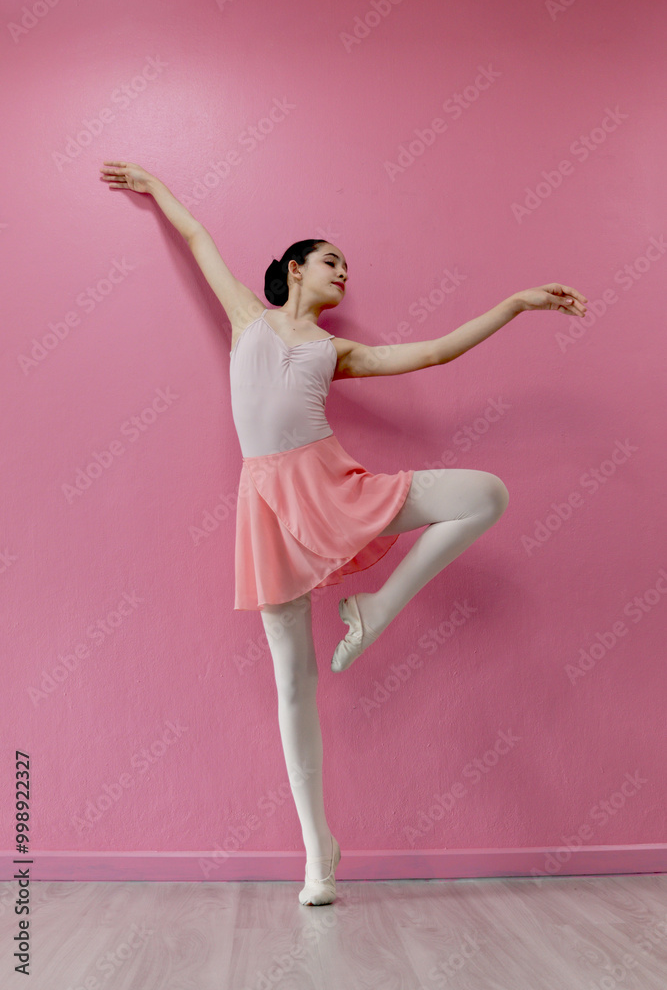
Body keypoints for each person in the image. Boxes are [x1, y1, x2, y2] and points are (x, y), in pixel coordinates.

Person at [99, 160, 588, 905]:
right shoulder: (245, 317)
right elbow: (196, 235)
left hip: (332, 486)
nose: (344, 276)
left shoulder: (338, 352)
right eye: (333, 263)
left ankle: (377, 610)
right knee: (292, 686)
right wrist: (152, 182)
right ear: (295, 269)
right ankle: (316, 854)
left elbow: (434, 351)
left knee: (484, 493)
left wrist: (515, 303)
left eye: (348, 270)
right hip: (266, 503)